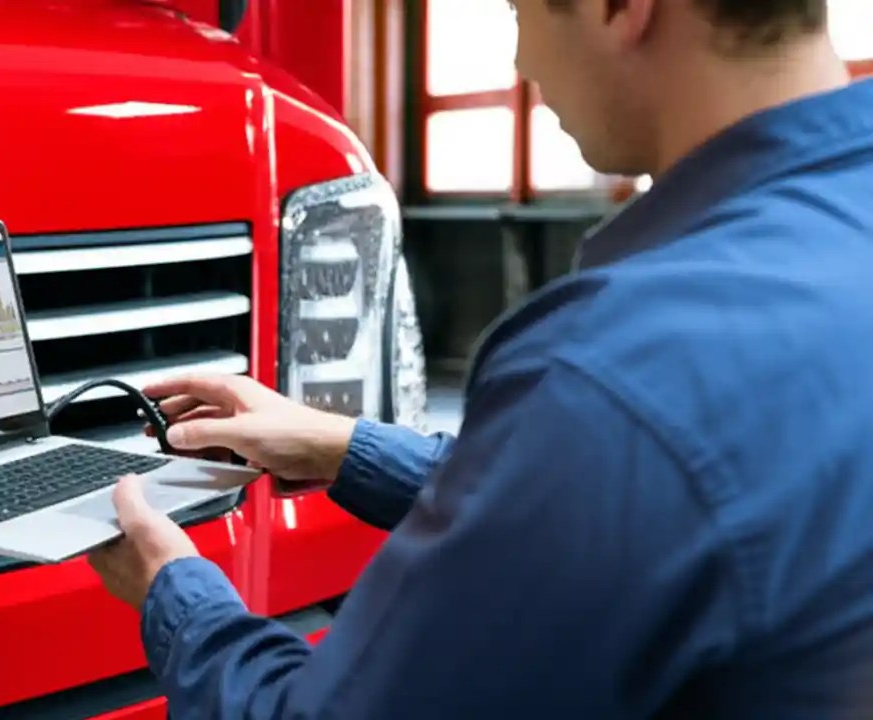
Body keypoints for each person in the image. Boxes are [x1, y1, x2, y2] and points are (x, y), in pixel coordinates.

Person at [87, 0, 873, 716]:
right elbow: (653, 504)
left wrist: (174, 592)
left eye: (517, 11)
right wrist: (346, 447)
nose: (522, 62)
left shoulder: (614, 371)